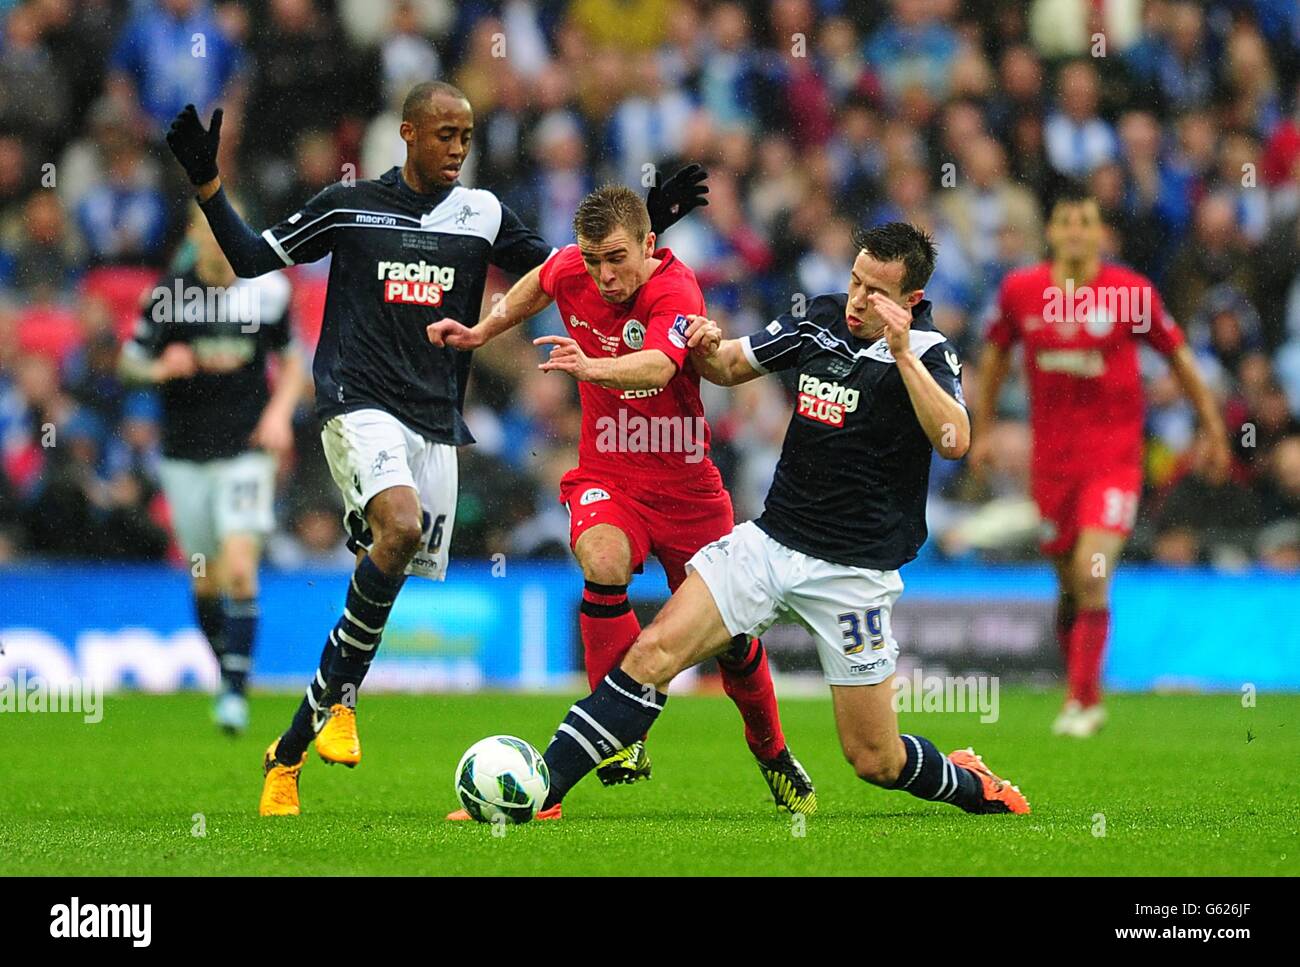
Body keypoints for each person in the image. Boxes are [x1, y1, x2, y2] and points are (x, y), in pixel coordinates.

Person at [163, 81, 707, 816]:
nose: (458, 149)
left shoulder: (481, 214)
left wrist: (649, 231)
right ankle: (330, 701)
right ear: (409, 134)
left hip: (433, 423)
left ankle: (292, 745)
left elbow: (568, 276)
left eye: (467, 136)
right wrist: (208, 184)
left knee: (384, 578)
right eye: (445, 134)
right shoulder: (348, 206)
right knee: (399, 526)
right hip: (356, 403)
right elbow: (254, 257)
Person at [525, 222, 1031, 819]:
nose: (858, 301)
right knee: (651, 653)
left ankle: (970, 782)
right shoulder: (819, 320)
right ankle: (541, 793)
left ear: (911, 302)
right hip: (770, 544)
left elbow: (955, 439)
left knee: (875, 760)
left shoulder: (927, 352)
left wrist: (899, 352)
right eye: (856, 282)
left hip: (853, 574)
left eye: (877, 293)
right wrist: (706, 343)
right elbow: (730, 366)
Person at [430, 185, 815, 819]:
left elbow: (659, 369)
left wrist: (587, 368)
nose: (604, 276)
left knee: (733, 639)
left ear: (649, 246)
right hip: (608, 474)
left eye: (616, 259)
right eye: (592, 260)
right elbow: (540, 280)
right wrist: (483, 328)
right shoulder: (573, 267)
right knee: (602, 564)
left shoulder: (677, 290)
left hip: (690, 489)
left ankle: (771, 749)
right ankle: (618, 742)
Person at [970, 184, 1230, 737]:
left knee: (1092, 571)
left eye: (1084, 222)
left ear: (1099, 233)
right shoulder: (1022, 290)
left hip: (1113, 460)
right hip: (1051, 465)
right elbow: (994, 355)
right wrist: (984, 428)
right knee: (1067, 582)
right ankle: (1078, 685)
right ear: (1051, 232)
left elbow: (1180, 359)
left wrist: (1211, 429)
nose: (1074, 232)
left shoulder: (1131, 293)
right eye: (1065, 222)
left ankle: (1083, 701)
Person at [118, 203, 302, 734]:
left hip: (246, 451)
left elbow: (292, 360)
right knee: (205, 579)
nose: (223, 245)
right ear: (194, 237)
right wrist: (158, 368)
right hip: (184, 455)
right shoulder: (169, 294)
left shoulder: (266, 290)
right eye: (212, 233)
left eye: (231, 234)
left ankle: (235, 694)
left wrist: (278, 415)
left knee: (241, 567)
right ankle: (228, 670)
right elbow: (129, 363)